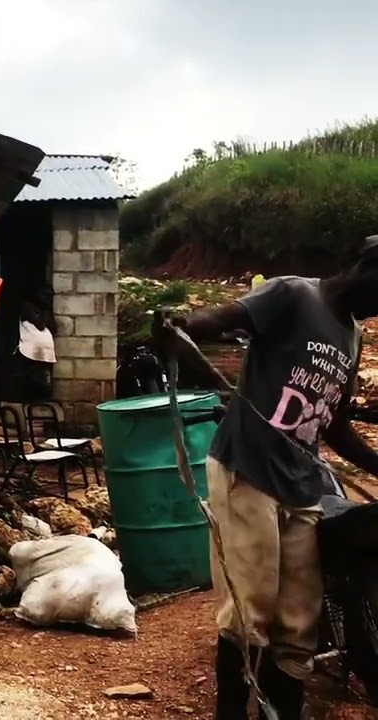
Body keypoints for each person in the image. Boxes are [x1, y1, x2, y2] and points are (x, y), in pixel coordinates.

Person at [153, 235, 378, 718]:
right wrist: (180, 324)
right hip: (247, 470)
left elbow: (331, 425)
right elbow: (219, 319)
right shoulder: (294, 294)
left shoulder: (352, 336)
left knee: (298, 625)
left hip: (302, 486)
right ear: (368, 269)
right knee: (250, 616)